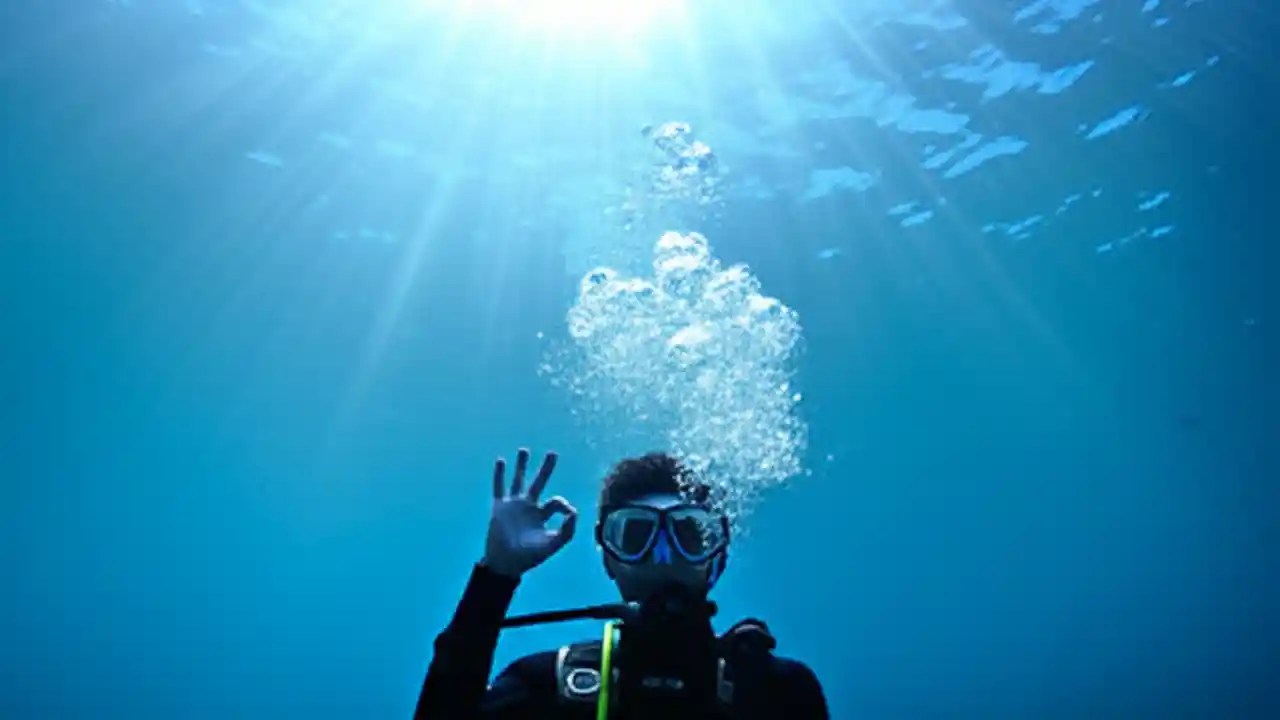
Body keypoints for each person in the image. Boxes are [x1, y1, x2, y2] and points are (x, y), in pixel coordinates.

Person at [413, 448, 829, 720]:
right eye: (635, 535)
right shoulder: (544, 685)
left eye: (688, 535)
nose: (662, 556)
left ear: (716, 557)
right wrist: (496, 576)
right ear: (609, 558)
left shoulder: (780, 692)